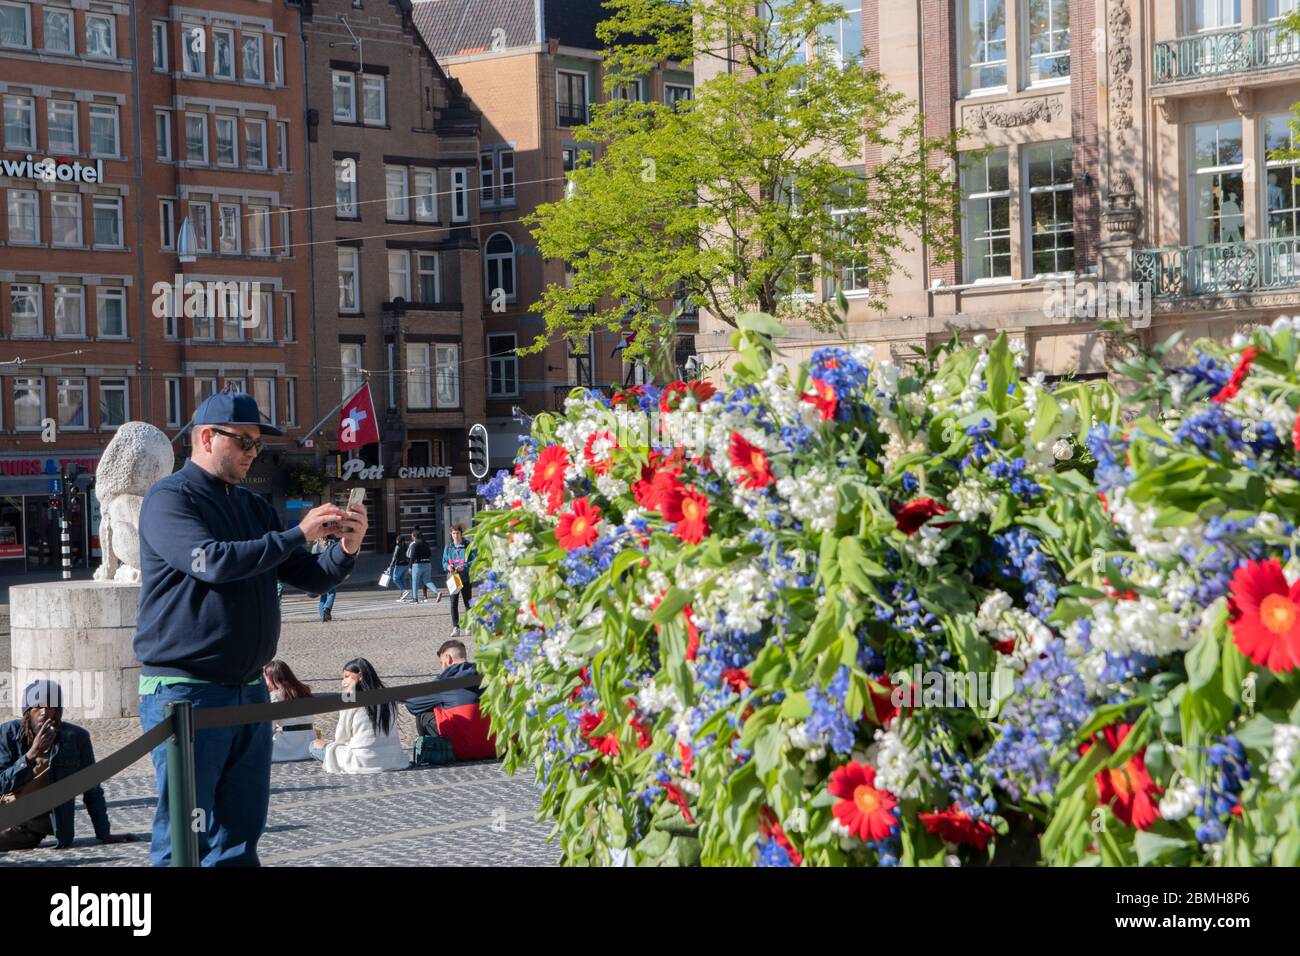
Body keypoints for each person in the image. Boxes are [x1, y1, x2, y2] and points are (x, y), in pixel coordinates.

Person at [134, 391, 366, 866]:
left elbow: (309, 574)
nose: (251, 453)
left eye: (257, 445)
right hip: (186, 691)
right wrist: (296, 534)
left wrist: (346, 550)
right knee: (185, 835)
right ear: (205, 437)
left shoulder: (253, 507)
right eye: (243, 441)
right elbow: (211, 562)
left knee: (241, 832)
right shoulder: (168, 499)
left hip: (247, 688)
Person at [0, 680, 135, 851]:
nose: (44, 713)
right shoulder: (7, 733)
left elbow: (92, 789)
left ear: (58, 711)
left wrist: (104, 833)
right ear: (27, 712)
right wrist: (30, 755)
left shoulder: (76, 738)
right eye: (37, 707)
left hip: (28, 826)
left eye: (51, 708)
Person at [308, 659, 408, 773]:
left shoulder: (350, 701)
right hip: (393, 759)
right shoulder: (390, 700)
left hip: (361, 760)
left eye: (347, 677)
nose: (343, 682)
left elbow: (341, 737)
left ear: (359, 676)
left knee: (314, 746)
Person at [403, 641, 495, 762]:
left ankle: (431, 752)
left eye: (441, 663)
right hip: (494, 748)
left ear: (448, 658)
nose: (442, 667)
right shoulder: (487, 677)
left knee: (422, 716)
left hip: (462, 751)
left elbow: (413, 704)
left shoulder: (445, 682)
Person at [263, 661, 318, 763]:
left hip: (286, 746)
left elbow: (269, 726)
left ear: (270, 678)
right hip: (308, 743)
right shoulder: (304, 691)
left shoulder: (276, 696)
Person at [442, 524, 474, 637]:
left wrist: (464, 566)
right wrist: (448, 567)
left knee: (468, 603)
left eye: (457, 533)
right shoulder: (449, 546)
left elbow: (474, 560)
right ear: (451, 534)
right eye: (453, 533)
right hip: (453, 578)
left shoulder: (467, 545)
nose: (455, 535)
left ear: (461, 534)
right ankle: (456, 627)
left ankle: (469, 626)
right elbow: (444, 561)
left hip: (465, 577)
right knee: (453, 603)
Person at [313, 535, 339, 622]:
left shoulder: (317, 545)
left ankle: (323, 616)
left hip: (323, 571)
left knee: (323, 594)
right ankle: (327, 608)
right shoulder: (330, 543)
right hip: (326, 571)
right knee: (332, 592)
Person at [407, 529, 433, 605]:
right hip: (427, 563)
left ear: (414, 536)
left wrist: (410, 566)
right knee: (426, 581)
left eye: (412, 536)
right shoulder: (426, 544)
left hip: (417, 564)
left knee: (415, 582)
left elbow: (410, 556)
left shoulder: (414, 544)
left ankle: (415, 599)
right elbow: (430, 554)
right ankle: (432, 594)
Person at [388, 535, 412, 603]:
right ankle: (403, 596)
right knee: (402, 579)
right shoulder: (406, 546)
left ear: (398, 540)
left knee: (395, 579)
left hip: (399, 565)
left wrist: (390, 565)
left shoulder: (397, 547)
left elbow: (394, 557)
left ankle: (404, 591)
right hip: (406, 565)